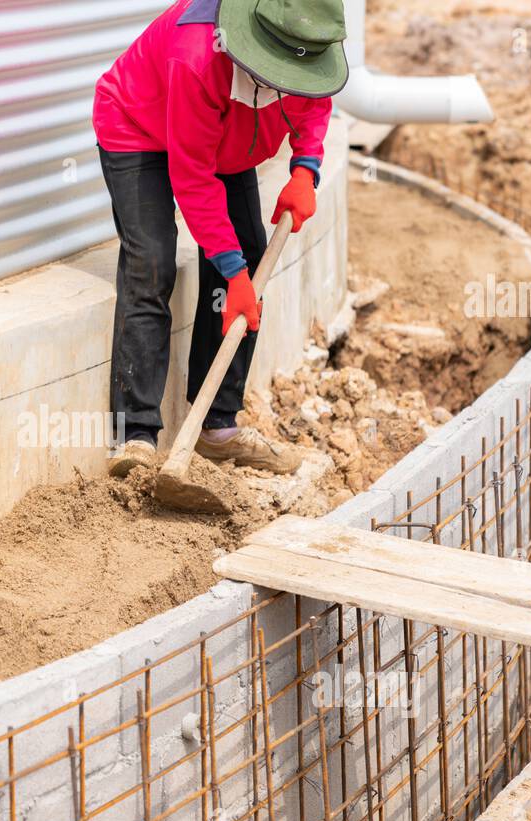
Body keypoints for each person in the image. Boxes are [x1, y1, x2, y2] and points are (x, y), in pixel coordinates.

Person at [93, 0, 346, 477]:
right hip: (139, 125)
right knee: (152, 265)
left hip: (229, 139)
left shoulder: (305, 41)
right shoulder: (197, 56)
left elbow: (316, 100)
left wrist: (305, 168)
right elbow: (193, 178)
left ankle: (217, 427)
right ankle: (136, 439)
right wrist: (230, 273)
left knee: (251, 262)